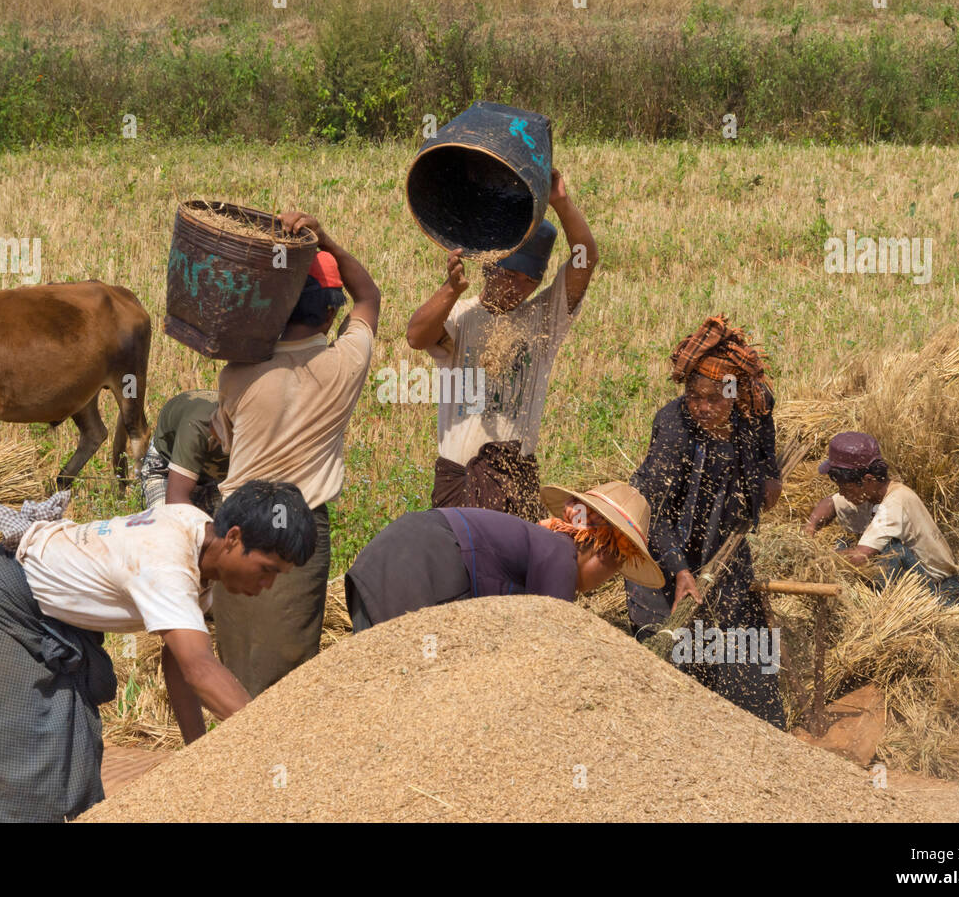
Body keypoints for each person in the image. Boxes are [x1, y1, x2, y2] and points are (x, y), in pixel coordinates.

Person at [0, 480, 315, 822]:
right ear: (233, 538)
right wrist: (270, 742)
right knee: (9, 756)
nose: (267, 584)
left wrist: (198, 752)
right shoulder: (167, 559)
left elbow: (180, 662)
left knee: (68, 750)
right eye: (266, 569)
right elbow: (199, 668)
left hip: (53, 620)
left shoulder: (196, 533)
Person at [208, 210, 380, 698]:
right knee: (288, 683)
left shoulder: (237, 373)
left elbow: (225, 441)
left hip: (235, 527)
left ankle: (230, 762)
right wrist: (326, 238)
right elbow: (369, 296)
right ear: (329, 313)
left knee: (235, 665)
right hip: (297, 529)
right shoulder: (344, 363)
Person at [405, 168, 598, 520]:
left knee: (511, 573)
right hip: (458, 478)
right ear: (490, 267)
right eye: (510, 274)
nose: (518, 287)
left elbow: (586, 261)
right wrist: (450, 289)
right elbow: (416, 336)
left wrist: (561, 202)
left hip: (514, 479)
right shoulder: (462, 317)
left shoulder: (543, 321)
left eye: (530, 281)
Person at [627, 314, 786, 729]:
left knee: (741, 651)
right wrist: (679, 570)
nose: (701, 406)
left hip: (725, 552)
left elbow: (767, 427)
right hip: (662, 558)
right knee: (668, 656)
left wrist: (770, 474)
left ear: (735, 394)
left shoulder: (752, 413)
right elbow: (653, 510)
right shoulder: (674, 428)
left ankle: (756, 740)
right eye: (694, 395)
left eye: (714, 398)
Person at [345, 481, 662, 630]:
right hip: (424, 567)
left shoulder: (540, 544)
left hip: (381, 563)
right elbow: (551, 642)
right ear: (605, 553)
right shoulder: (558, 554)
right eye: (616, 567)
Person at [805, 431, 959, 605]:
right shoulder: (867, 494)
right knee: (845, 541)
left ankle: (876, 605)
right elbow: (830, 503)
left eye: (846, 489)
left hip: (937, 591)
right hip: (917, 581)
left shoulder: (895, 502)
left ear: (868, 480)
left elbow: (859, 557)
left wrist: (818, 559)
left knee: (888, 550)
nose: (842, 493)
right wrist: (809, 529)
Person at [137, 389, 228, 515]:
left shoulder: (257, 431)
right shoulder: (196, 426)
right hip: (167, 471)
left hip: (215, 478)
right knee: (168, 526)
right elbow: (176, 503)